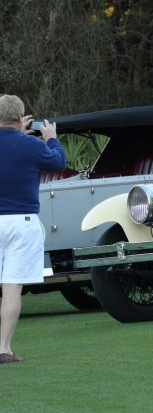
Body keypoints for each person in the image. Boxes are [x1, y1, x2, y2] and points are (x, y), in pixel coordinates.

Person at [0, 94, 66, 364]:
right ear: (20, 118)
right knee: (12, 288)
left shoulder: (23, 141)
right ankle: (3, 348)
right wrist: (50, 137)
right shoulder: (30, 145)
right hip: (21, 221)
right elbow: (58, 162)